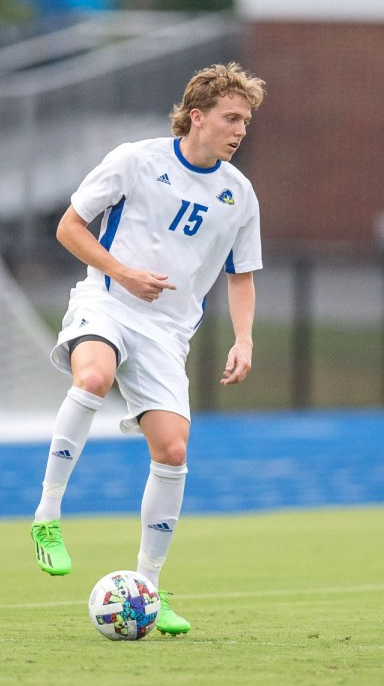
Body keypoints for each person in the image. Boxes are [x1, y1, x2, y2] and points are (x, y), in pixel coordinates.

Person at [29, 62, 267, 637]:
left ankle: (149, 590)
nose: (240, 130)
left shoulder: (239, 193)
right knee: (92, 377)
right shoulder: (135, 160)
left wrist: (243, 337)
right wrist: (122, 272)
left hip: (167, 334)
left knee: (174, 450)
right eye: (231, 118)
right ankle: (47, 516)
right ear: (197, 116)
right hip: (108, 301)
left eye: (246, 121)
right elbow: (68, 228)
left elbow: (241, 274)